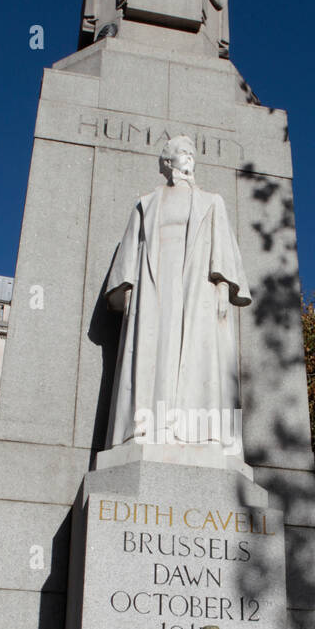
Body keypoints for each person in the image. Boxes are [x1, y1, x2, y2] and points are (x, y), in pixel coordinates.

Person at [104, 135, 251, 453]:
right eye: (183, 153)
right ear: (167, 162)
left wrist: (223, 286)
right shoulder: (146, 203)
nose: (190, 159)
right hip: (154, 286)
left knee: (197, 357)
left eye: (192, 154)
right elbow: (131, 250)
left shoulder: (212, 201)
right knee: (156, 354)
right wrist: (128, 290)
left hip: (197, 286)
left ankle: (198, 433)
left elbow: (222, 248)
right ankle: (149, 428)